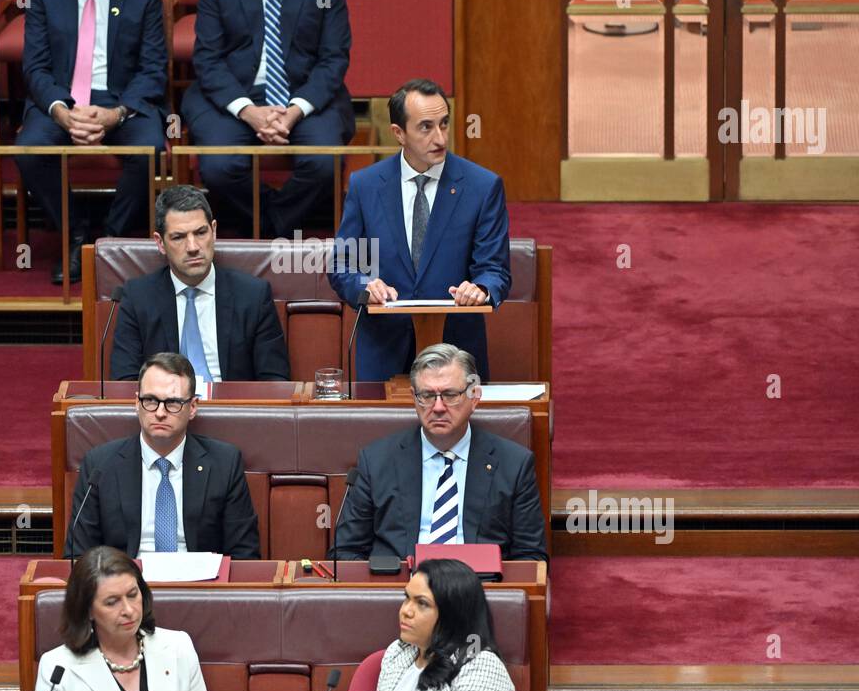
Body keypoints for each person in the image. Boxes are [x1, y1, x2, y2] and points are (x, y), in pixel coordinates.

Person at [181, 0, 354, 237]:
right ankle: (278, 227)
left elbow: (334, 56)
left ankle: (266, 227)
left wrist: (293, 111)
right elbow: (208, 58)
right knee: (218, 167)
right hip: (234, 96)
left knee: (324, 163)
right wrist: (249, 111)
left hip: (303, 96)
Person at [16, 0, 168, 283]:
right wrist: (62, 111)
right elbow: (34, 66)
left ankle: (110, 240)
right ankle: (74, 232)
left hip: (119, 102)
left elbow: (153, 70)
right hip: (61, 100)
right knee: (29, 151)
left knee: (149, 149)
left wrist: (116, 114)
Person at [329, 78, 510, 381]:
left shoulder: (482, 186)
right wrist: (365, 285)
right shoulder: (366, 185)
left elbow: (495, 270)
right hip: (383, 353)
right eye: (426, 127)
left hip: (455, 356)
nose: (439, 137)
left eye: (444, 124)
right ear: (399, 133)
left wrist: (480, 288)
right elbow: (344, 265)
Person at [333, 344, 545, 562]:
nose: (438, 407)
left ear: (474, 396)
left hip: (479, 588)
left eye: (450, 394)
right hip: (401, 589)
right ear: (413, 398)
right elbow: (345, 552)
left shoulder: (514, 464)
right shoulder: (376, 461)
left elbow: (531, 557)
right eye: (426, 395)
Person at [65, 353, 261, 559]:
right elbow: (78, 555)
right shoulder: (100, 465)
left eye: (173, 403)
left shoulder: (224, 463)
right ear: (136, 403)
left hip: (199, 585)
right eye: (150, 400)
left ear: (192, 407)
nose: (160, 412)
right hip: (126, 584)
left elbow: (244, 554)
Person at [109, 185, 290, 382]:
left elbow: (275, 381)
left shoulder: (253, 295)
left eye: (201, 233)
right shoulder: (137, 298)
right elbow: (124, 381)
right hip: (165, 410)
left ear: (214, 231)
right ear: (160, 242)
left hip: (232, 409)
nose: (193, 247)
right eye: (178, 237)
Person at [35, 546, 205, 691]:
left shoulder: (179, 647)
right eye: (112, 602)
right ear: (88, 610)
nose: (129, 610)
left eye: (132, 595)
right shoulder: (57, 668)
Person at [376, 558, 514, 691]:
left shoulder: (481, 666)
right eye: (407, 598)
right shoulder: (398, 651)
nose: (406, 611)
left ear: (453, 613)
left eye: (422, 603)